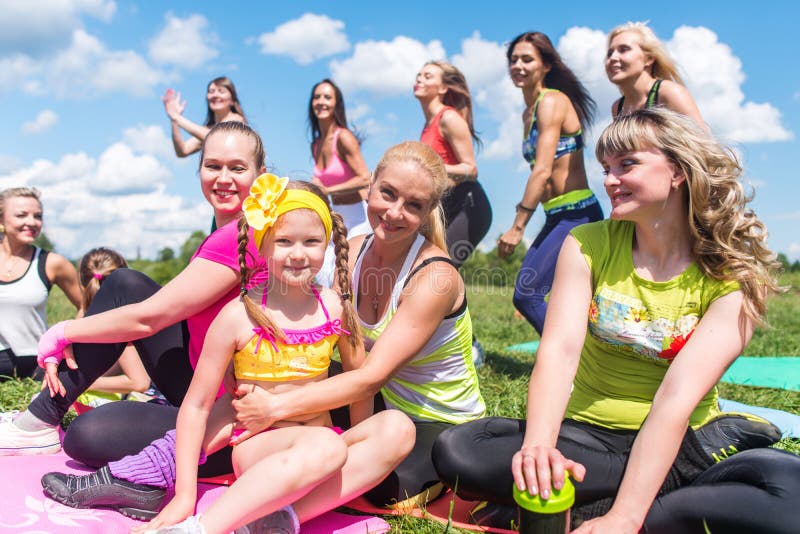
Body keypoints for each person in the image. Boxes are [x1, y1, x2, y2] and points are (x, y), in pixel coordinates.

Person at [432, 108, 799, 533]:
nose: (609, 179)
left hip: (687, 441)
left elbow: (674, 402)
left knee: (790, 495)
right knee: (461, 450)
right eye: (606, 168)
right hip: (589, 437)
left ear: (678, 171)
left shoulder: (731, 277)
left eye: (628, 164)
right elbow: (559, 353)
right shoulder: (588, 244)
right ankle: (658, 507)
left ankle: (606, 508)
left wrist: (624, 517)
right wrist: (538, 448)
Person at [42, 176, 414, 534]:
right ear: (263, 245)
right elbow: (197, 406)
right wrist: (185, 494)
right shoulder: (239, 315)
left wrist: (361, 438)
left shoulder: (335, 307)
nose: (298, 254)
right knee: (327, 447)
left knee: (397, 428)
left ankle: (274, 520)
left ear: (327, 244)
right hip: (257, 447)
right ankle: (201, 527)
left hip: (320, 442)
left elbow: (358, 385)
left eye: (312, 241)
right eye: (284, 241)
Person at [228, 141, 486, 507]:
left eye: (413, 205)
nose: (395, 212)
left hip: (435, 420)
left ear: (429, 211)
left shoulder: (435, 277)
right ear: (370, 187)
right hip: (377, 403)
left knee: (382, 488)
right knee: (285, 393)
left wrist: (275, 407)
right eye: (388, 193)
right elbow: (330, 342)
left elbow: (369, 377)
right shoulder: (356, 248)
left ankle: (280, 510)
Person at [0, 121, 266, 462]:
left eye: (237, 168)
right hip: (202, 377)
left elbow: (149, 319)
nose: (223, 178)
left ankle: (39, 420)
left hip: (228, 411)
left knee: (86, 435)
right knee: (126, 283)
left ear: (260, 174)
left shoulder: (244, 235)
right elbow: (164, 304)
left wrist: (62, 330)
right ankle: (39, 419)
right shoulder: (230, 230)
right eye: (212, 166)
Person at [497, 32, 603, 336]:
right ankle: (579, 362)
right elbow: (542, 176)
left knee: (527, 295)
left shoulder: (552, 101)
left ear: (546, 66)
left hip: (578, 214)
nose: (518, 65)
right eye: (513, 59)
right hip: (557, 214)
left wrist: (518, 227)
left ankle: (578, 364)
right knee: (541, 295)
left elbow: (542, 170)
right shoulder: (527, 113)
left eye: (527, 59)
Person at [414, 61, 492, 268]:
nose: (419, 79)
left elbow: (471, 169)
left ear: (442, 88)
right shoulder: (427, 125)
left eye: (427, 76)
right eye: (419, 75)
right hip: (445, 206)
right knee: (422, 268)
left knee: (440, 269)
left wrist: (427, 166)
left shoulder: (448, 118)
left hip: (469, 206)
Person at [0, 187, 82, 381]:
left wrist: (67, 340)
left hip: (38, 366)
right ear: (1, 220)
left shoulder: (52, 263)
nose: (32, 222)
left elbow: (86, 305)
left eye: (38, 216)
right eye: (21, 215)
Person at [308, 79, 371, 286]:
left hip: (358, 216)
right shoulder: (316, 145)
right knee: (329, 277)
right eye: (317, 97)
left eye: (327, 97)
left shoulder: (343, 137)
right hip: (336, 216)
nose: (321, 102)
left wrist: (327, 189)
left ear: (336, 104)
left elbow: (365, 178)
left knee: (352, 275)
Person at [72, 247, 151, 412]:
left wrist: (82, 384)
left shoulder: (97, 317)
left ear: (81, 283)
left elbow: (138, 382)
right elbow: (139, 382)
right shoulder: (100, 317)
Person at [607, 22, 704, 125]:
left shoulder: (670, 93)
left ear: (648, 59)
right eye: (610, 53)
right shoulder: (618, 108)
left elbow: (703, 139)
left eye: (624, 50)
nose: (612, 58)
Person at [162, 76, 247, 158]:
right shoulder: (206, 130)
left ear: (232, 100)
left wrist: (177, 118)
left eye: (221, 91)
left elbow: (219, 138)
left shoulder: (238, 120)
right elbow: (182, 151)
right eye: (211, 91)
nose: (215, 95)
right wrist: (173, 120)